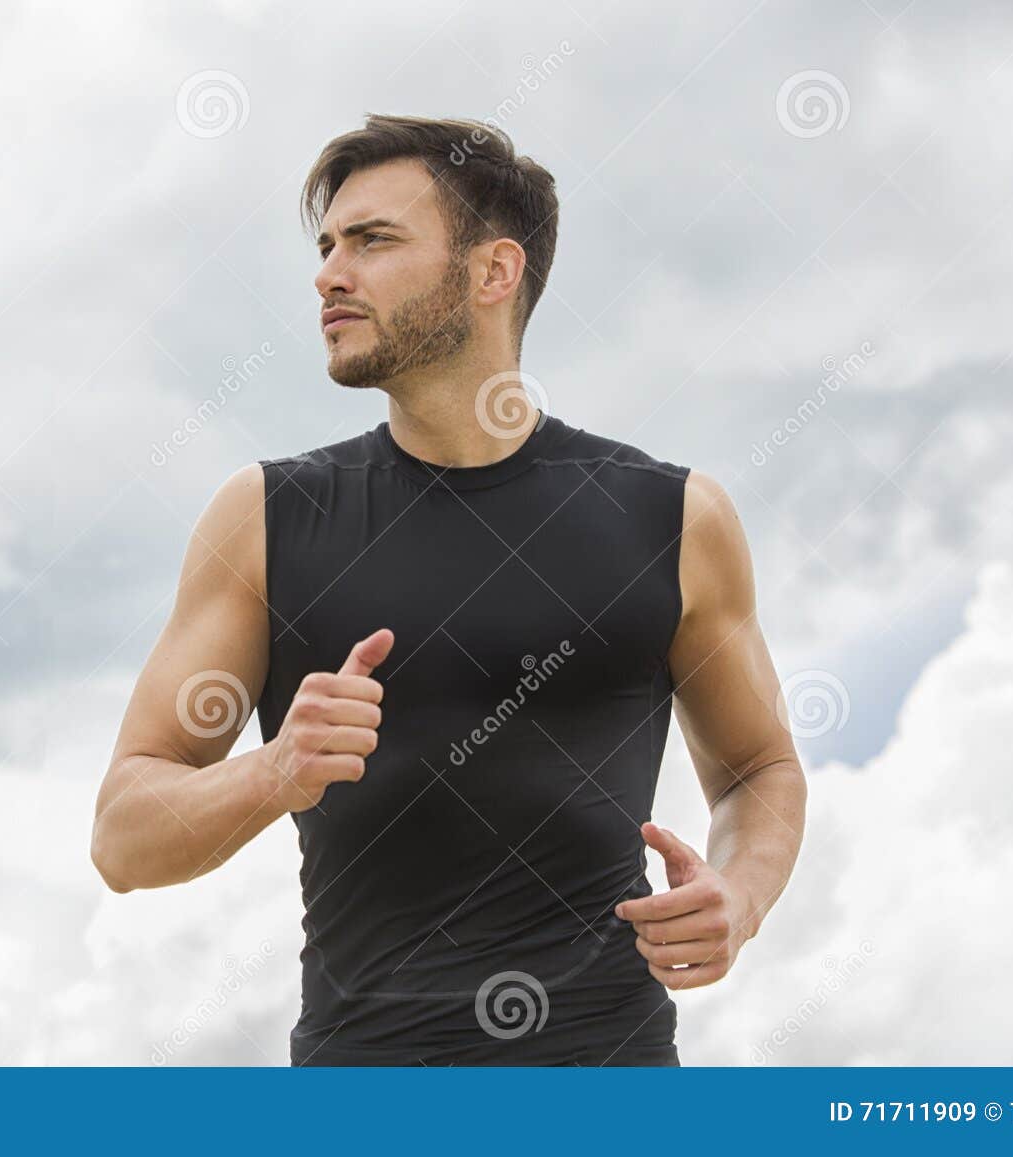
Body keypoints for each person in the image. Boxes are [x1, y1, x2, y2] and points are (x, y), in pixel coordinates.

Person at [90, 114, 807, 1066]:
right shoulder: (267, 518)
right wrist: (272, 772)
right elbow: (123, 837)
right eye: (327, 245)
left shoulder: (672, 518)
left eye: (373, 240)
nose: (329, 274)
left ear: (492, 272)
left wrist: (741, 896)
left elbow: (760, 769)